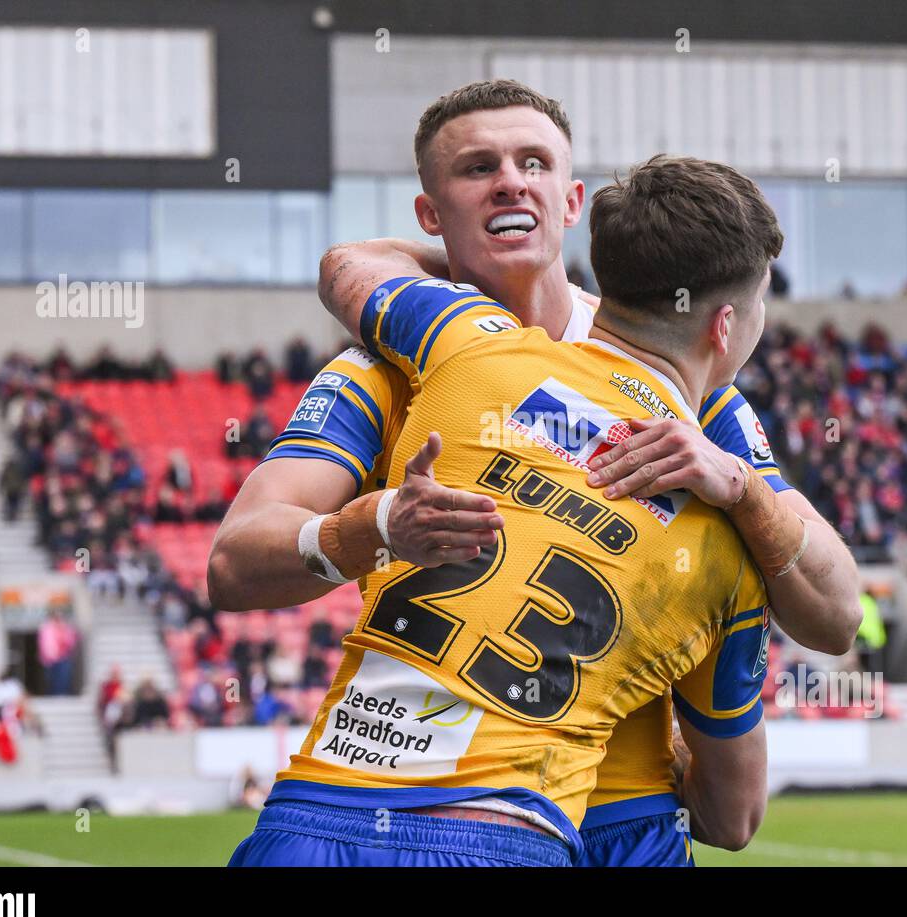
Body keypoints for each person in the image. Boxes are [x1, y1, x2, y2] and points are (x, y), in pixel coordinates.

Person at [212, 80, 859, 867]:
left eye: (533, 163)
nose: (511, 181)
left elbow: (834, 607)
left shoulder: (694, 404)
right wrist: (370, 528)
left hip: (623, 820)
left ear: (571, 200)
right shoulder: (386, 365)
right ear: (430, 215)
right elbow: (234, 564)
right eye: (477, 169)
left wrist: (749, 490)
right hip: (467, 805)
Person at [37, 609, 78, 696]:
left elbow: (71, 641)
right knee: (51, 678)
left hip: (63, 657)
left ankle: (61, 694)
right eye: (57, 617)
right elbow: (44, 643)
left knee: (63, 677)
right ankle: (53, 694)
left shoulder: (66, 628)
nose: (58, 619)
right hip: (50, 658)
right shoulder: (47, 628)